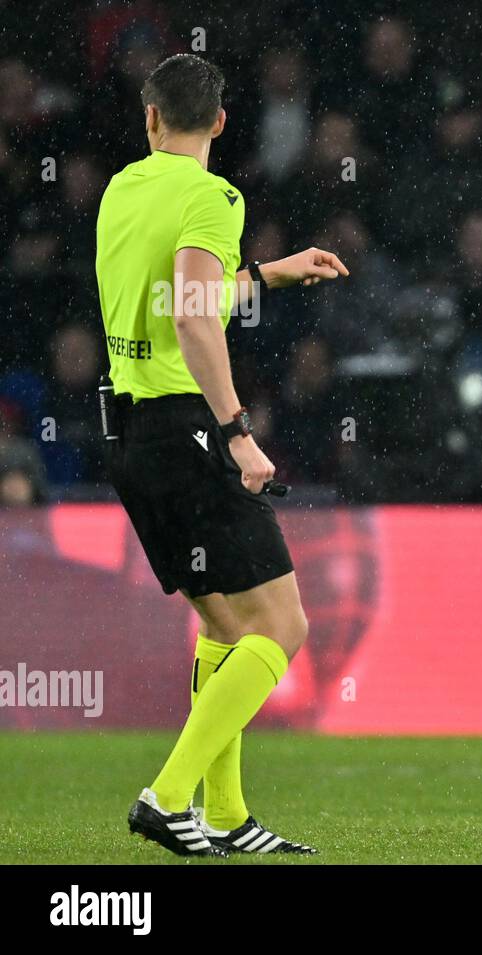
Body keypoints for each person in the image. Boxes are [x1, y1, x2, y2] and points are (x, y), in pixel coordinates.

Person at [96, 53, 349, 856]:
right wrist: (237, 429)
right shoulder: (214, 196)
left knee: (224, 625)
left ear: (149, 119)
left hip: (131, 436)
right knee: (283, 626)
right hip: (188, 429)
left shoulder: (121, 190)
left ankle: (227, 814)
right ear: (222, 122)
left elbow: (178, 294)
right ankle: (166, 796)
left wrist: (271, 273)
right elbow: (196, 322)